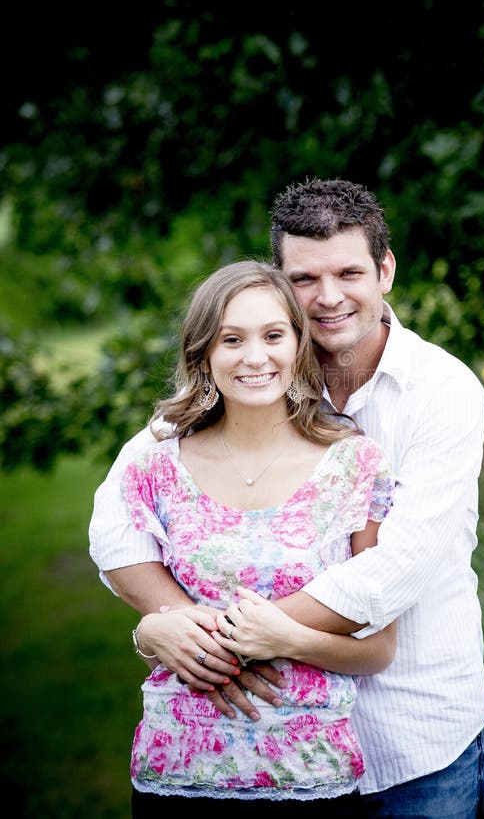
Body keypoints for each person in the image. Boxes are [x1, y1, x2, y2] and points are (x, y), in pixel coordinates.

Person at [90, 178, 484, 817]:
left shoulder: (443, 392)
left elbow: (397, 567)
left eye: (350, 272)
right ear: (280, 282)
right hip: (256, 744)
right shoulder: (247, 378)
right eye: (305, 279)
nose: (329, 297)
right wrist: (174, 626)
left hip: (416, 732)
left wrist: (252, 635)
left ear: (385, 271)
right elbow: (116, 522)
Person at [100, 258, 397, 815]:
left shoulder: (355, 467)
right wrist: (149, 630)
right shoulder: (156, 469)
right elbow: (134, 581)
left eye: (273, 335)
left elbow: (378, 649)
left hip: (310, 775)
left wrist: (283, 638)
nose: (255, 357)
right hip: (177, 773)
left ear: (299, 345)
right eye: (232, 339)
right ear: (204, 354)